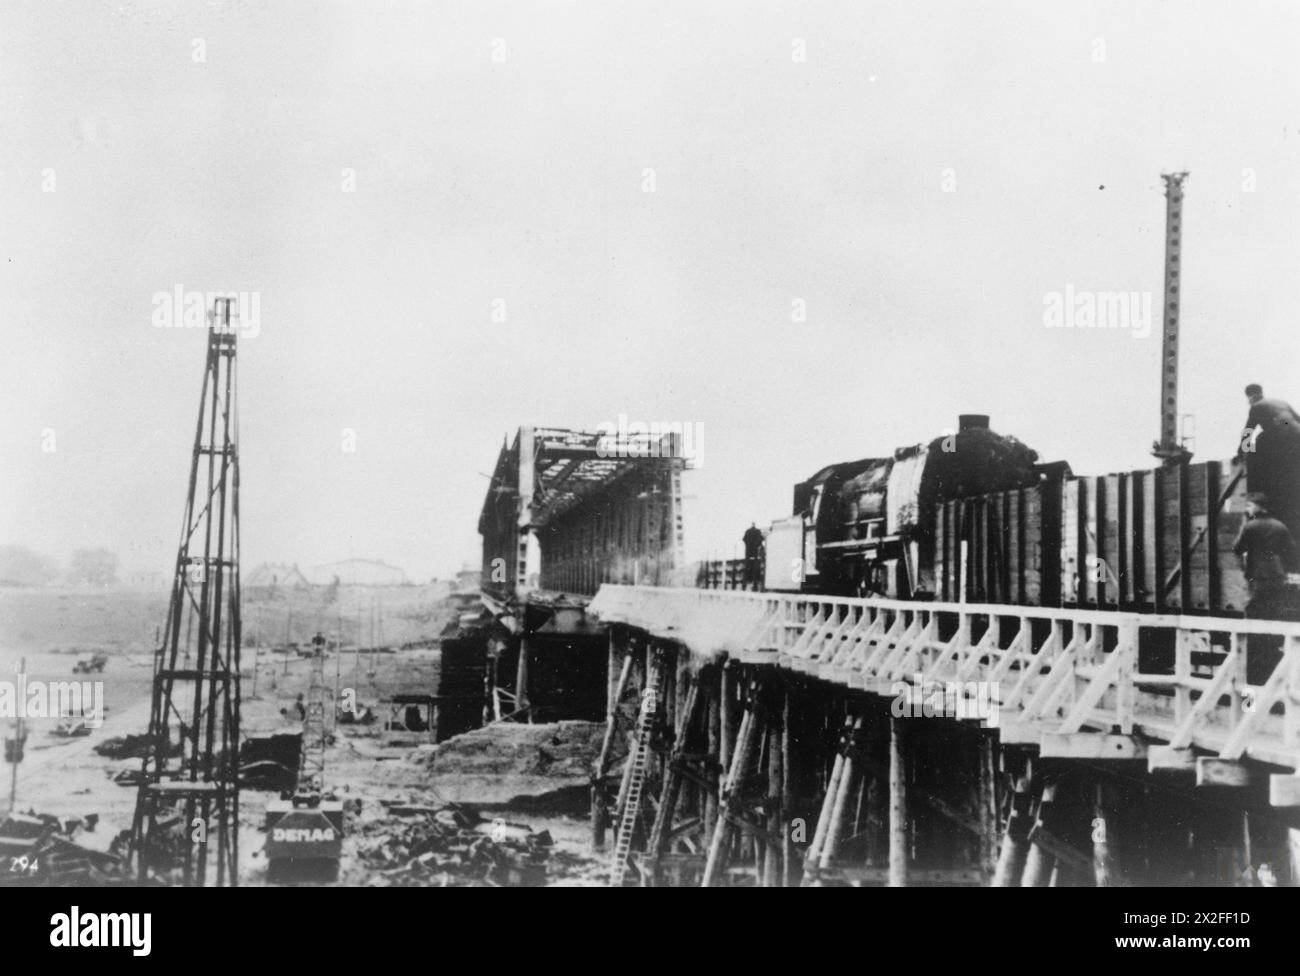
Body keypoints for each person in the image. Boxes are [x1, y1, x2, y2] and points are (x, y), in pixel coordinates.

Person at [1234, 494, 1297, 683]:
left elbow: (1237, 548)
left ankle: (1254, 675)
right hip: (1277, 575)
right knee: (1273, 615)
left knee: (1253, 616)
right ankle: (1272, 667)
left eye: (1250, 505)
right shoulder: (1279, 526)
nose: (1248, 508)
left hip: (1258, 576)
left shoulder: (1250, 526)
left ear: (1258, 507)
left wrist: (1244, 568)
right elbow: (1291, 550)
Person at [1237, 384, 1300, 535]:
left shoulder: (1256, 406)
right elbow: (1295, 419)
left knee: (1256, 446)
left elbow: (1249, 430)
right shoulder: (1280, 402)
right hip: (1297, 434)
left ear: (1251, 397)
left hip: (1282, 434)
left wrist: (1242, 451)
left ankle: (1255, 484)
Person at [742, 522, 765, 590]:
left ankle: (744, 586)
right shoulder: (758, 531)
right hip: (755, 553)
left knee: (746, 569)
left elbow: (744, 539)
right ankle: (755, 586)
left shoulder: (747, 531)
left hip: (748, 553)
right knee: (756, 569)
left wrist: (748, 545)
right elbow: (761, 539)